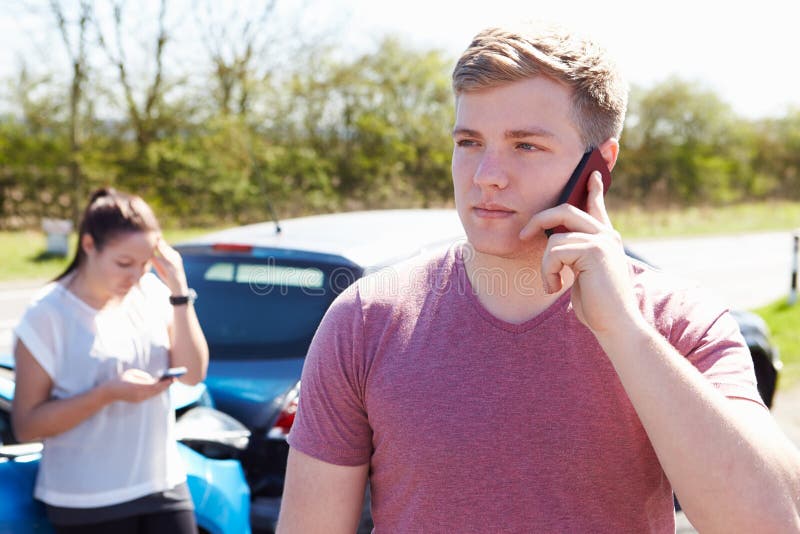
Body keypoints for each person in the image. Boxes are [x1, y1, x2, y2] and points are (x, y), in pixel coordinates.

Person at [277, 22, 800, 533]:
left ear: (600, 164)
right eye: (469, 142)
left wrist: (624, 331)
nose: (486, 176)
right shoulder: (364, 320)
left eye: (525, 145)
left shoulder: (680, 320)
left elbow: (774, 522)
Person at [12, 188, 209, 533]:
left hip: (163, 484)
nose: (135, 276)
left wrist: (179, 287)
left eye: (146, 262)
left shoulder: (153, 294)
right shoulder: (46, 314)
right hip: (87, 501)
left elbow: (194, 374)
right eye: (124, 263)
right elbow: (27, 425)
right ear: (89, 245)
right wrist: (107, 394)